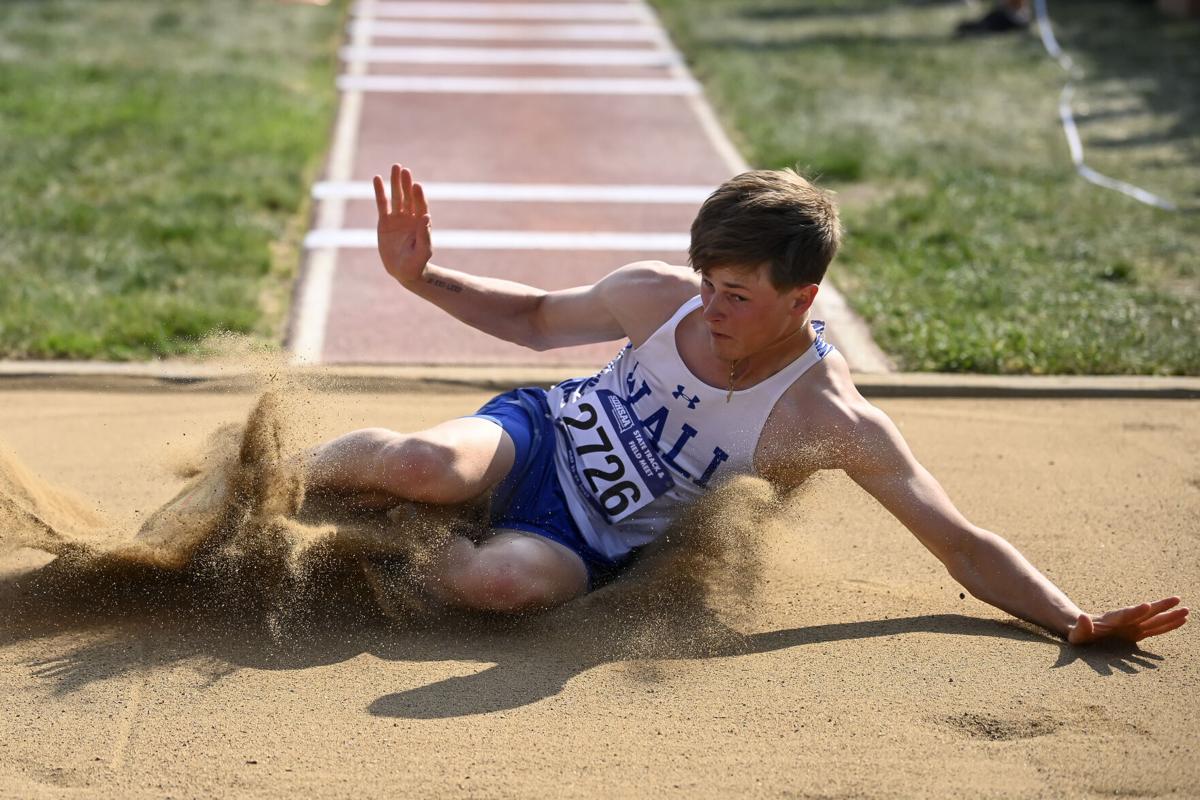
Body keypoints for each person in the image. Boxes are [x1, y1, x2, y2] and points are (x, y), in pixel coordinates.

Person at [304, 163, 1188, 646]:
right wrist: (419, 277)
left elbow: (959, 542)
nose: (709, 308)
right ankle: (270, 481)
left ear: (801, 299)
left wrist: (1070, 617)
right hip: (535, 439)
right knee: (416, 464)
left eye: (736, 295)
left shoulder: (829, 422)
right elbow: (535, 320)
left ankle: (355, 552)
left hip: (590, 539)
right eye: (707, 283)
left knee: (496, 584)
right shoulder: (657, 295)